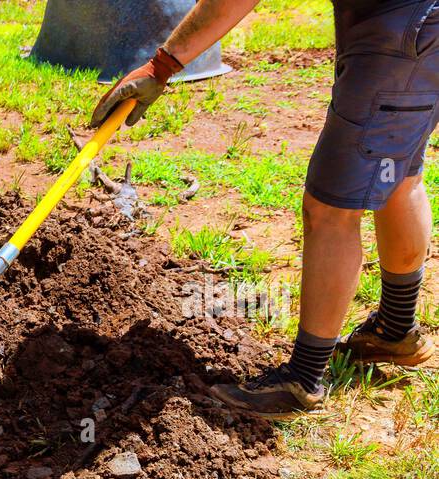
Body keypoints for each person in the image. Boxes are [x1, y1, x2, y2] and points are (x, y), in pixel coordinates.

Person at [92, 0, 439, 419]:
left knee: (329, 211)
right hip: (416, 32)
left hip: (401, 35)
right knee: (400, 173)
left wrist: (161, 66)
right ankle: (394, 331)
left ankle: (302, 382)